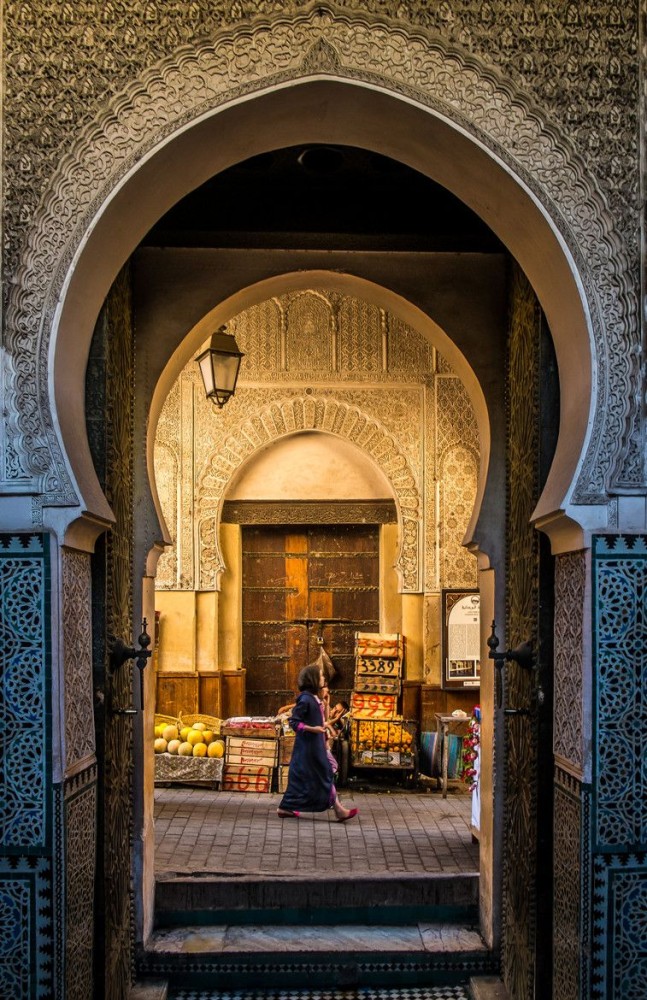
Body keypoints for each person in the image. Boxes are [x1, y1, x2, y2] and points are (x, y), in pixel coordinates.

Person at [277, 663, 358, 822]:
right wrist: (312, 729)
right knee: (324, 774)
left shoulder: (315, 699)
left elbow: (323, 721)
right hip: (308, 749)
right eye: (321, 676)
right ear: (313, 680)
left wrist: (326, 704)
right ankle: (338, 810)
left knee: (315, 777)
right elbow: (294, 722)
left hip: (316, 747)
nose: (324, 678)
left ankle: (285, 807)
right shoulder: (305, 699)